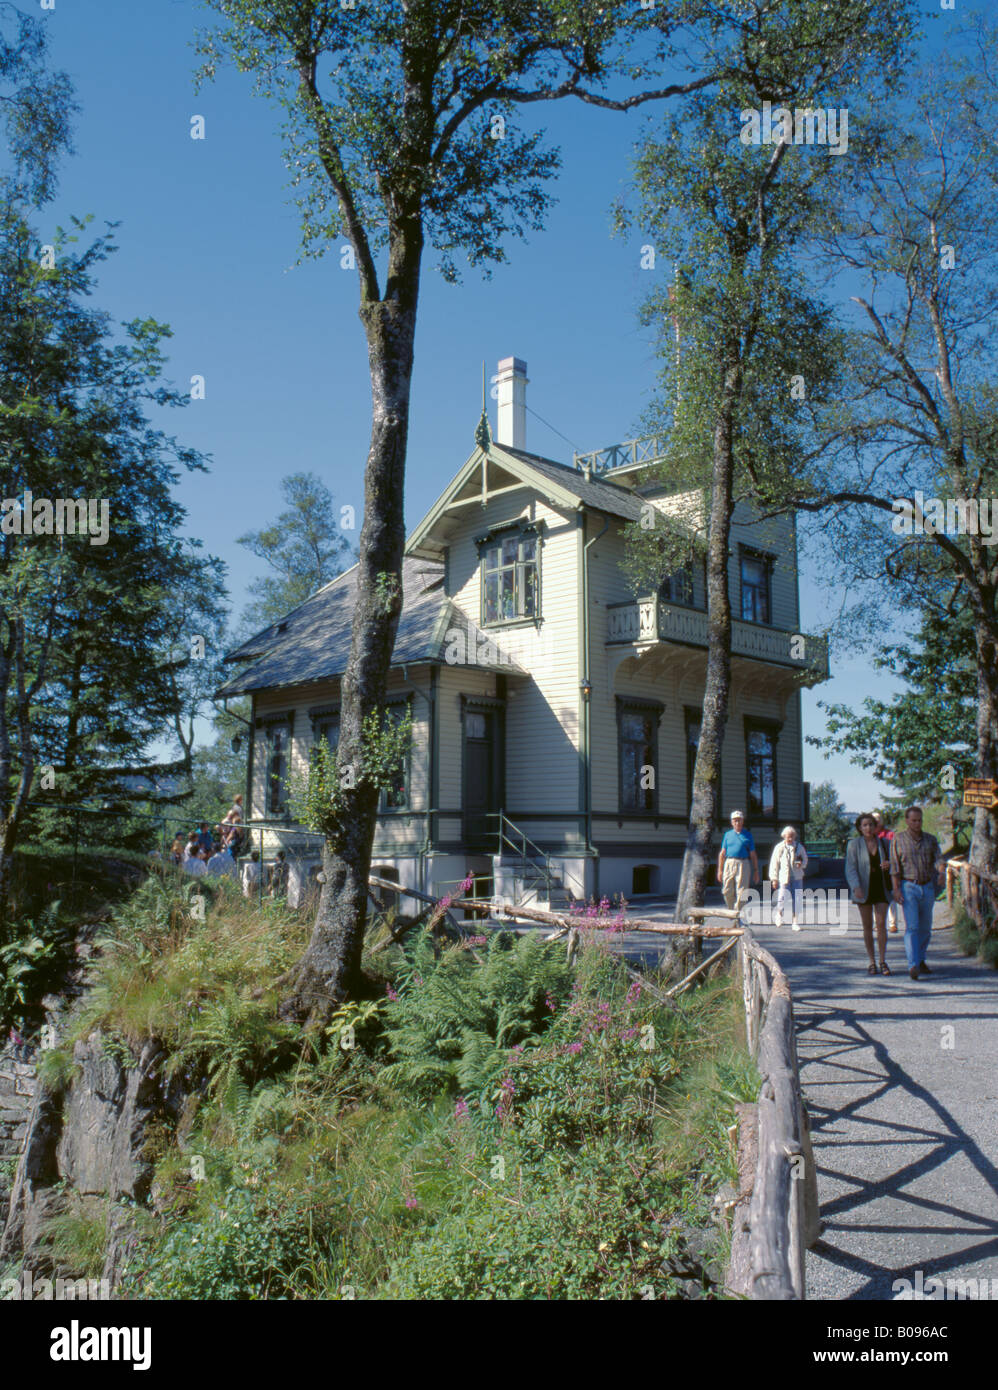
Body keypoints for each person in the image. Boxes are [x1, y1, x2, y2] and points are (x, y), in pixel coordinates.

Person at [890, 806, 945, 981]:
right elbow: (894, 867)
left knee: (926, 928)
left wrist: (942, 872)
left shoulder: (930, 839)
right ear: (907, 821)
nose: (917, 823)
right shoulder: (898, 839)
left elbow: (939, 859)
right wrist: (896, 889)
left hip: (927, 886)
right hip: (908, 885)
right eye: (913, 820)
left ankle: (920, 959)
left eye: (919, 820)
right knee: (912, 926)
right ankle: (912, 964)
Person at [846, 814, 892, 976]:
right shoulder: (854, 845)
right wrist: (855, 886)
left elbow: (895, 863)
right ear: (859, 827)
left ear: (876, 827)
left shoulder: (885, 843)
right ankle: (871, 961)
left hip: (881, 888)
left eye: (871, 825)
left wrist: (889, 865)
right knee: (867, 926)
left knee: (881, 924)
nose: (868, 828)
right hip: (863, 889)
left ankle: (883, 960)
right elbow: (850, 868)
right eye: (864, 825)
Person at [717, 810, 759, 912]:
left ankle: (739, 915)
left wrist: (756, 871)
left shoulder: (748, 835)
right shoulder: (727, 835)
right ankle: (732, 911)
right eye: (735, 820)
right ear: (731, 822)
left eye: (739, 820)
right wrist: (720, 870)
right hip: (729, 863)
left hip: (743, 863)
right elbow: (722, 853)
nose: (737, 822)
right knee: (726, 891)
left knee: (742, 891)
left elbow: (753, 854)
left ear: (742, 821)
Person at [768, 826, 808, 930]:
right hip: (784, 877)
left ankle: (795, 922)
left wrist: (801, 865)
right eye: (788, 837)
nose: (790, 839)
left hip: (797, 877)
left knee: (797, 899)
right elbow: (774, 864)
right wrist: (774, 879)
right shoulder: (779, 847)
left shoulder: (799, 847)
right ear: (784, 836)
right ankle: (779, 914)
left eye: (792, 836)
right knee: (782, 897)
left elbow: (805, 859)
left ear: (795, 836)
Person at [872, 812, 899, 934]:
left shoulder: (889, 835)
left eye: (877, 821)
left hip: (888, 871)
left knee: (891, 898)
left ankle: (893, 924)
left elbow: (896, 853)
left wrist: (890, 862)